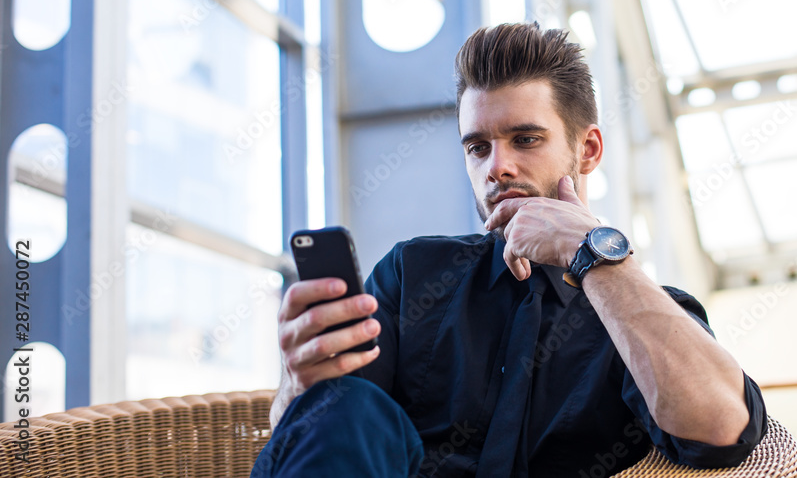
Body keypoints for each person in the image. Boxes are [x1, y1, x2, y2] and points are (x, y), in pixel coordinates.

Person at [251, 23, 766, 477]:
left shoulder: (641, 310)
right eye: (477, 147)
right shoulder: (413, 273)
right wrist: (298, 388)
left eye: (525, 140)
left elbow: (723, 426)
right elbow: (334, 433)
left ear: (587, 151)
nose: (496, 166)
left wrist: (592, 253)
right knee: (349, 404)